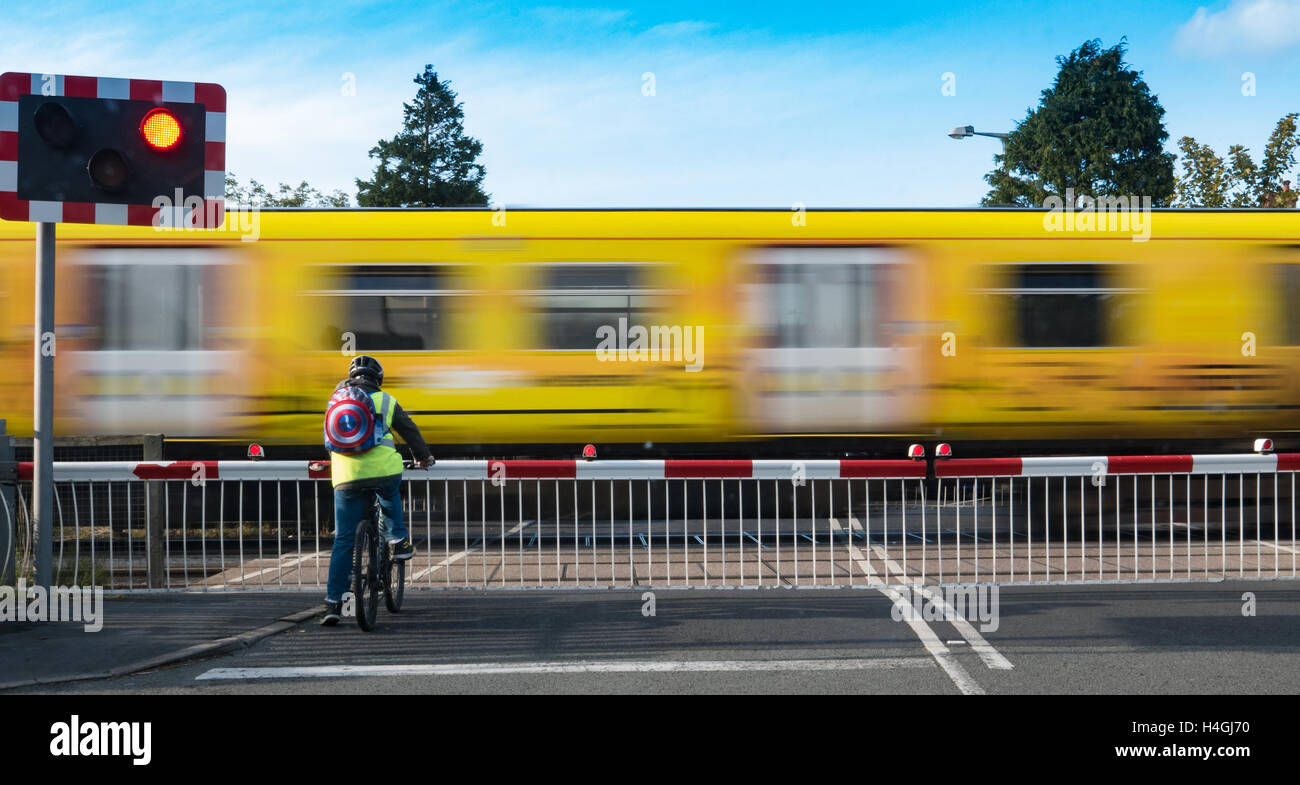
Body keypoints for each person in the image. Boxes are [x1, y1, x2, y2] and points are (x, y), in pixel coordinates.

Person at [321, 355, 434, 626]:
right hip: (383, 470)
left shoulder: (336, 400)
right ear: (378, 379)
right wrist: (423, 457)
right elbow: (410, 432)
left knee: (344, 540)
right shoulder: (386, 400)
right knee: (389, 495)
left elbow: (330, 438)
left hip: (346, 475)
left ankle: (333, 603)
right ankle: (399, 540)